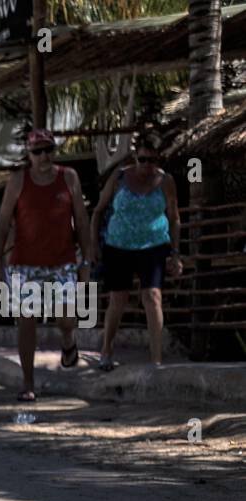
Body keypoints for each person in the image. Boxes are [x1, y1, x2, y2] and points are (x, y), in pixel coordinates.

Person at [0, 128, 93, 402]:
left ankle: (68, 340)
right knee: (27, 322)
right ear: (29, 154)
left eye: (49, 149)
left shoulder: (68, 177)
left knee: (66, 317)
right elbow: (1, 224)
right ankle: (28, 382)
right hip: (25, 263)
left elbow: (82, 221)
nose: (44, 156)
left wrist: (87, 259)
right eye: (38, 151)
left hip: (63, 260)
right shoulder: (17, 181)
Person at [91, 135, 181, 370]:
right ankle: (107, 349)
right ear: (135, 158)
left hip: (153, 244)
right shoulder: (120, 177)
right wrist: (92, 245)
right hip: (119, 245)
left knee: (152, 296)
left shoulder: (166, 181)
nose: (147, 165)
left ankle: (156, 359)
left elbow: (174, 218)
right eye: (142, 159)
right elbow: (98, 211)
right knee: (118, 299)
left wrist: (175, 253)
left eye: (152, 160)